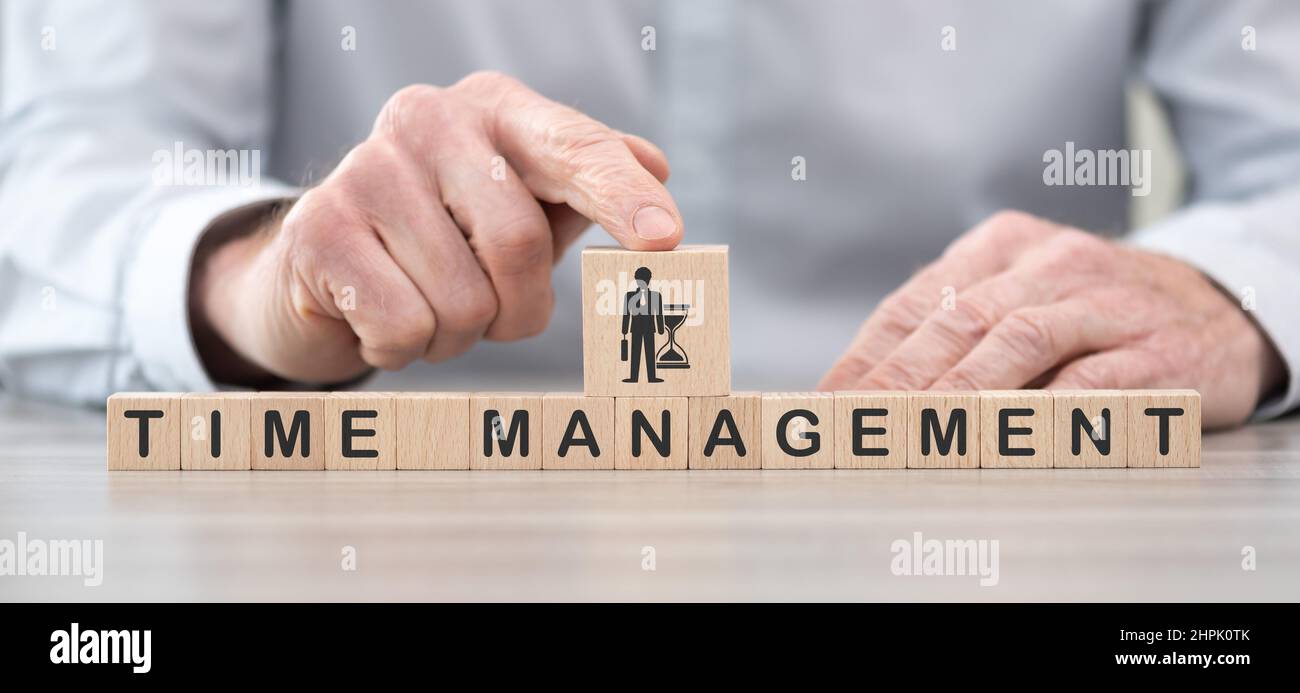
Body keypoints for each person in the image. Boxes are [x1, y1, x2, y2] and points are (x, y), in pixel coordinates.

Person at [1, 1, 1298, 430]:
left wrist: (1229, 288)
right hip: (371, 527)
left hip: (994, 533)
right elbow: (62, 163)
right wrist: (249, 276)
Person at [622, 267, 665, 383]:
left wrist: (661, 328)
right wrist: (624, 329)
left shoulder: (656, 296)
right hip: (635, 328)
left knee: (650, 353)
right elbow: (626, 314)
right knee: (635, 353)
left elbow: (659, 314)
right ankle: (633, 377)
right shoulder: (629, 295)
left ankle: (652, 377)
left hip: (649, 328)